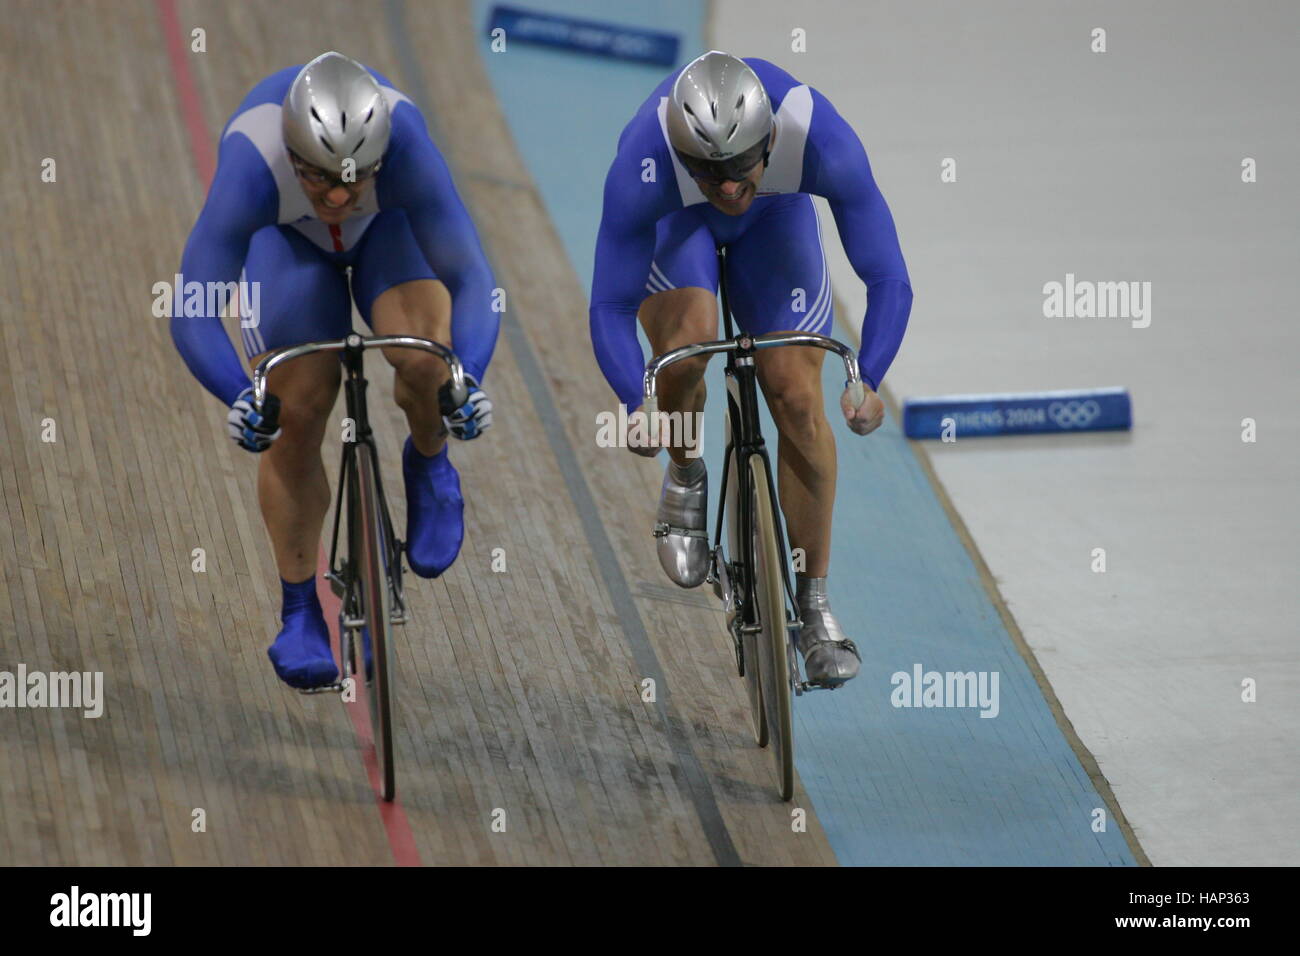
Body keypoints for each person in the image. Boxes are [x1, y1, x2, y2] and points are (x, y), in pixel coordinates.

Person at [171, 52, 498, 689]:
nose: (341, 196)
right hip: (288, 243)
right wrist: (239, 394)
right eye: (320, 179)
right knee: (293, 410)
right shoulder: (253, 163)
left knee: (427, 355)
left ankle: (429, 461)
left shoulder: (407, 147)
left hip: (388, 232)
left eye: (356, 177)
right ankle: (299, 612)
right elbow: (191, 308)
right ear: (292, 156)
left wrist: (470, 374)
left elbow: (471, 277)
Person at [589, 51, 913, 687]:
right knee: (687, 347)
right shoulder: (643, 161)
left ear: (770, 140)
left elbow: (888, 278)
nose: (730, 185)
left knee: (795, 398)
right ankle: (685, 475)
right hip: (678, 224)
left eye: (741, 166)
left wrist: (868, 377)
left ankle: (814, 608)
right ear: (682, 156)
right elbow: (609, 303)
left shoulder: (822, 143)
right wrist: (636, 402)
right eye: (711, 171)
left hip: (779, 217)